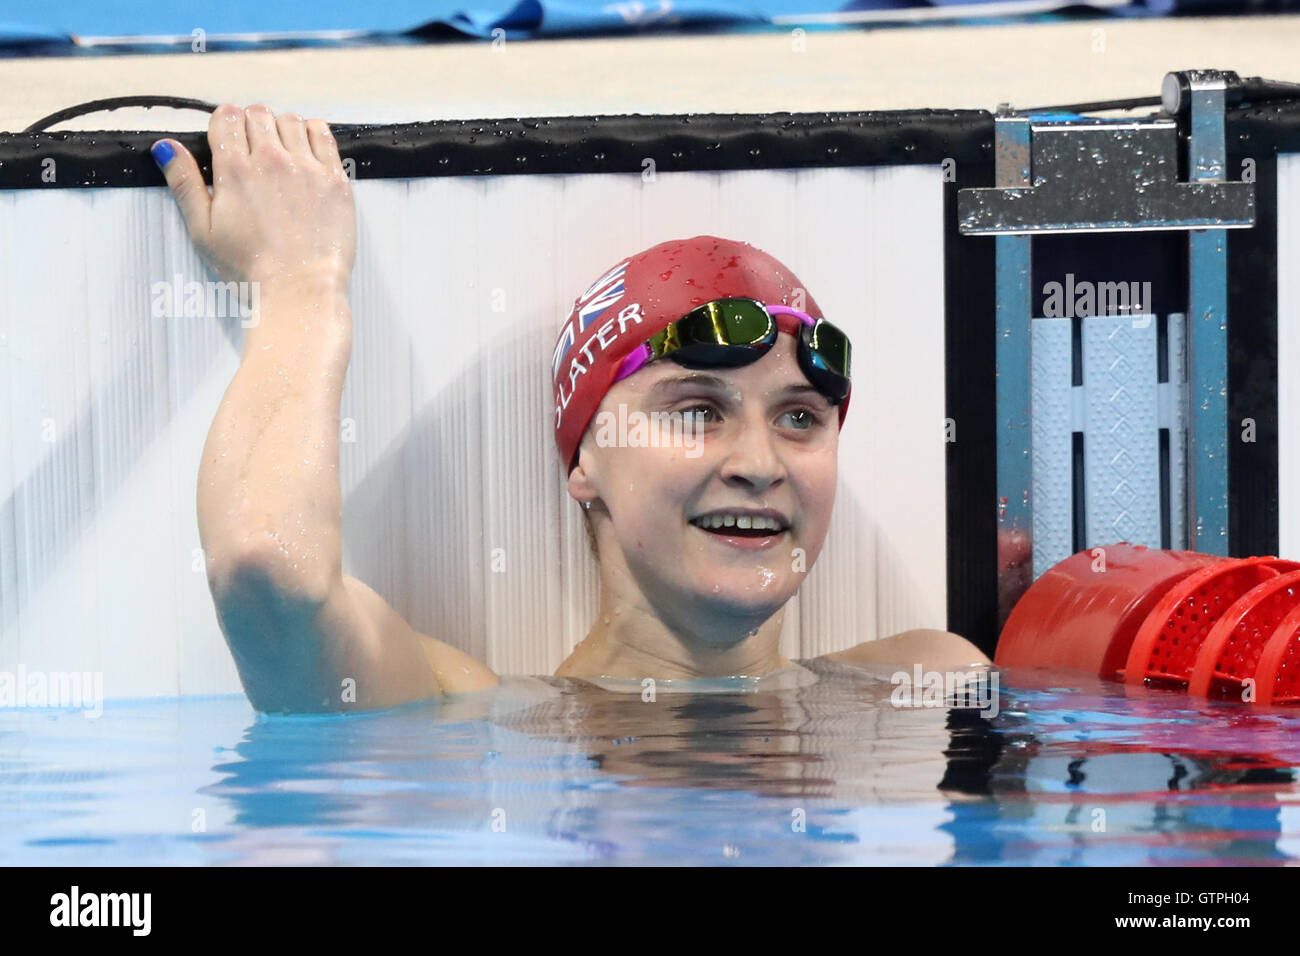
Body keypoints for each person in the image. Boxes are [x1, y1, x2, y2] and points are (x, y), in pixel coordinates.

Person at [153, 104, 989, 715]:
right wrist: (302, 286)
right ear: (586, 459)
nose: (760, 462)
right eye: (698, 410)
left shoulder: (929, 683)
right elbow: (267, 568)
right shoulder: (475, 722)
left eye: (800, 417)